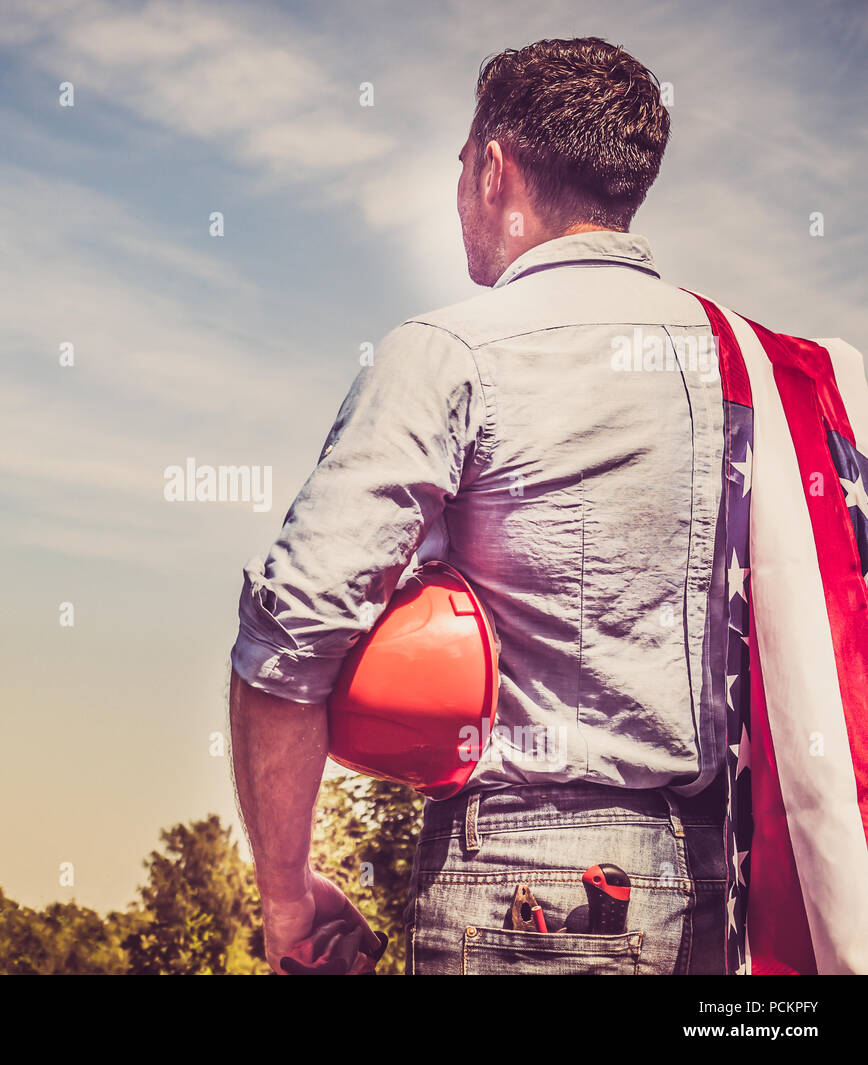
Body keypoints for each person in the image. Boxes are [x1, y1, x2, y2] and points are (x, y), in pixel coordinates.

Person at [228, 36, 732, 975]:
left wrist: (287, 896)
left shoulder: (450, 353)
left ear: (494, 169)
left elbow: (291, 636)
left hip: (523, 898)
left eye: (463, 163)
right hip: (725, 895)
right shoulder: (752, 370)